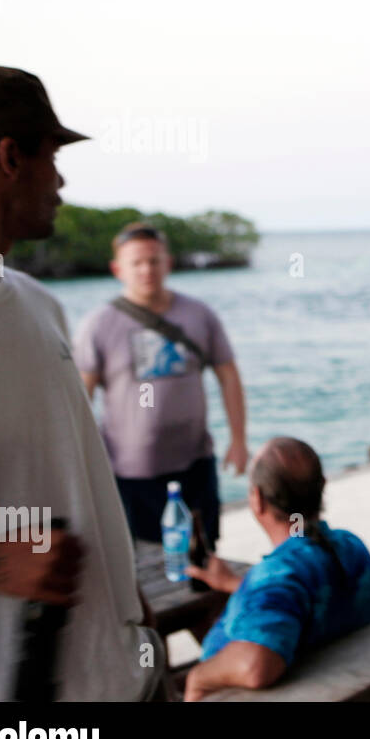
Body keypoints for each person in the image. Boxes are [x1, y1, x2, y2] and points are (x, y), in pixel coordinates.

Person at [0, 64, 163, 700]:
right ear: (10, 157)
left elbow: (76, 481)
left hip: (123, 678)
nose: (63, 180)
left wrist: (139, 616)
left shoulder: (40, 305)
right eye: (53, 155)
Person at [74, 221, 248, 544]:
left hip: (196, 461)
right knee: (143, 561)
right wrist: (81, 464)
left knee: (203, 551)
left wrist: (239, 440)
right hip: (130, 471)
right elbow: (80, 399)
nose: (146, 270)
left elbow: (228, 375)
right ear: (117, 269)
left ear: (168, 263)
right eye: (136, 263)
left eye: (154, 260)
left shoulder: (198, 314)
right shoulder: (98, 325)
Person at [183, 437, 370, 700]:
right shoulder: (350, 546)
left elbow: (256, 666)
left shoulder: (277, 576)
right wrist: (235, 583)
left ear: (257, 499)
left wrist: (198, 679)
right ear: (322, 486)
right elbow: (306, 593)